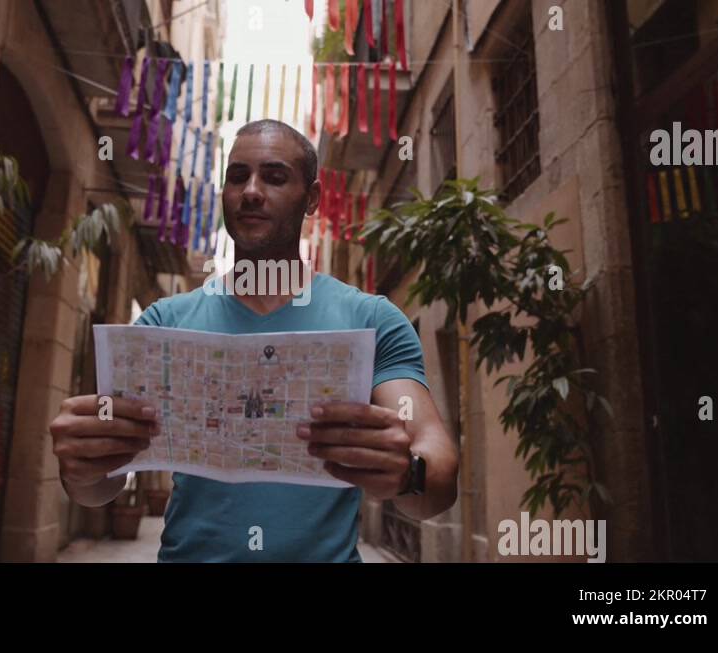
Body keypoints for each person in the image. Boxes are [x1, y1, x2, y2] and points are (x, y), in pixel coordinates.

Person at [50, 119, 459, 562]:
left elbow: (436, 471)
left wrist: (408, 474)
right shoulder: (163, 323)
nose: (250, 190)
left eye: (275, 176)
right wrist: (82, 466)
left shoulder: (371, 320)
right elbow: (100, 487)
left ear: (313, 198)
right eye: (237, 176)